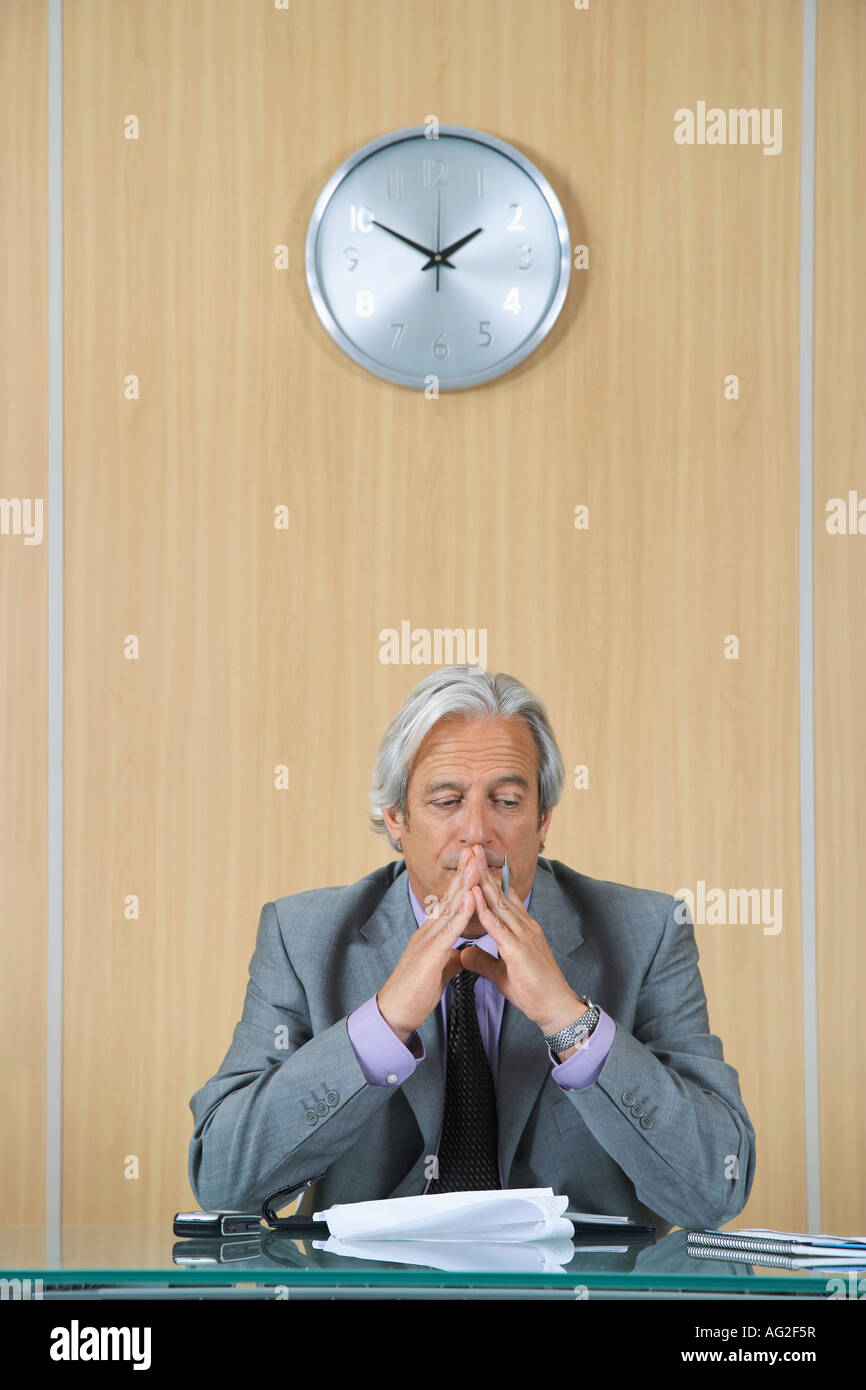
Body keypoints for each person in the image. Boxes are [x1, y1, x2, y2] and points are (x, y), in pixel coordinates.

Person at [188, 665, 755, 1231]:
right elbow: (224, 1180)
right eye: (446, 800)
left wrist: (568, 1021)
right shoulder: (301, 934)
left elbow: (717, 1188)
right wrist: (382, 1025)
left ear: (543, 819)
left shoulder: (649, 931)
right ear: (395, 818)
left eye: (506, 801)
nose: (477, 833)